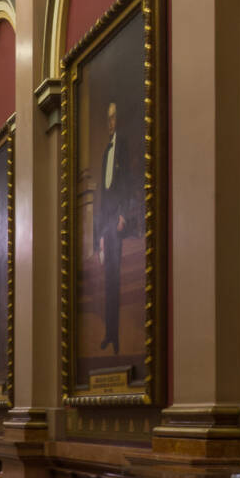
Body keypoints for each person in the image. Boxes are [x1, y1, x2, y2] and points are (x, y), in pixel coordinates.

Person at [96, 102, 140, 355]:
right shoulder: (105, 152)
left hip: (119, 217)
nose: (111, 122)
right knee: (108, 279)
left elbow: (127, 181)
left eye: (114, 117)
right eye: (108, 118)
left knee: (116, 276)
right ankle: (110, 333)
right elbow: (103, 192)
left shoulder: (122, 146)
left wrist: (123, 213)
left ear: (119, 119)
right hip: (107, 220)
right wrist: (101, 232)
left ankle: (117, 336)